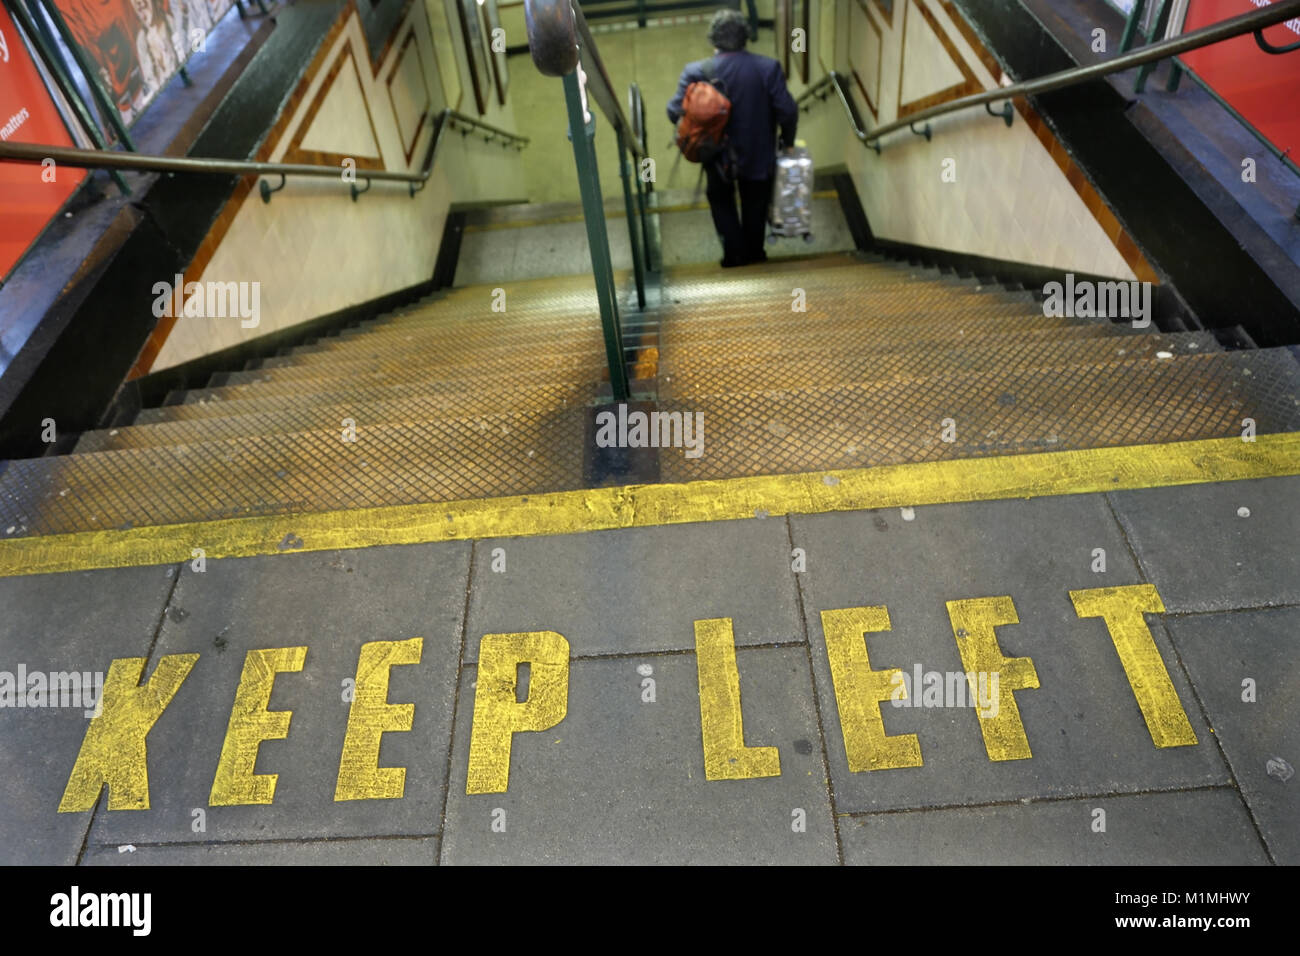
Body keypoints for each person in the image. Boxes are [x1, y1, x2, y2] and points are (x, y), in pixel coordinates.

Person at [667, 9, 799, 267]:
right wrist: (788, 141)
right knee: (756, 199)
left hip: (715, 152)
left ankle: (733, 253)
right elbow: (788, 110)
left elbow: (674, 110)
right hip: (758, 151)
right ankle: (754, 253)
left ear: (713, 39)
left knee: (720, 198)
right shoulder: (768, 68)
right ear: (746, 37)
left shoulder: (696, 71)